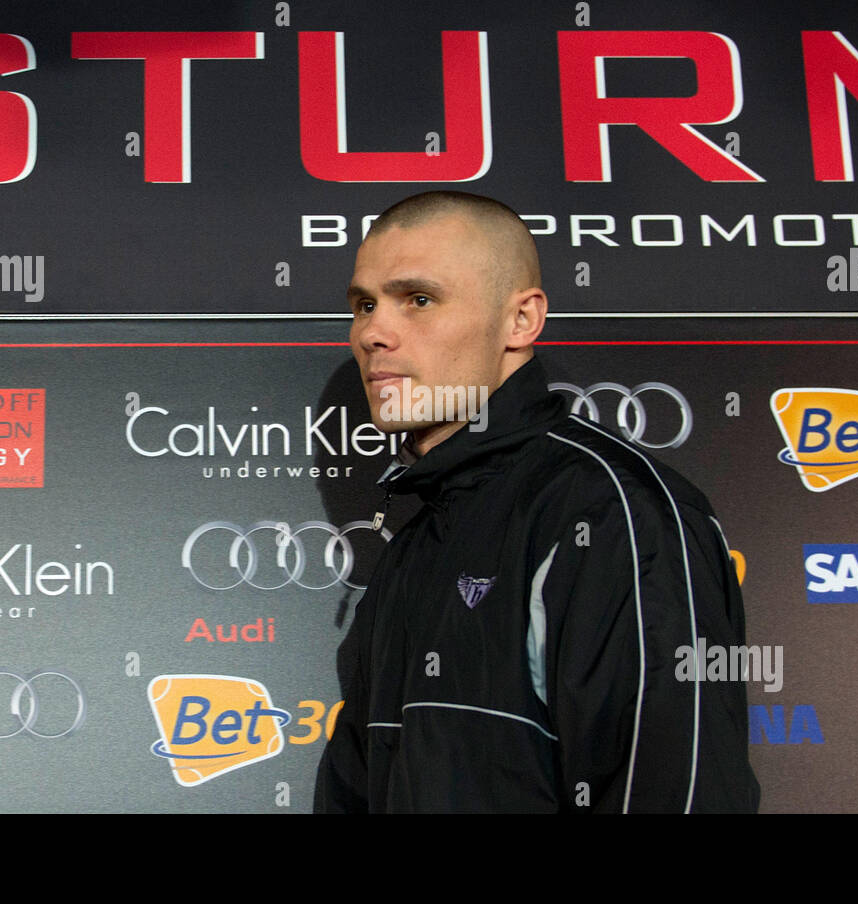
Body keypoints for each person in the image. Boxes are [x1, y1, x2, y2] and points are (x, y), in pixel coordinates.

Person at [314, 190, 759, 813]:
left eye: (418, 299)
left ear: (520, 321)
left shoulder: (612, 511)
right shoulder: (414, 547)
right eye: (364, 304)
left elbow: (674, 793)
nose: (372, 333)